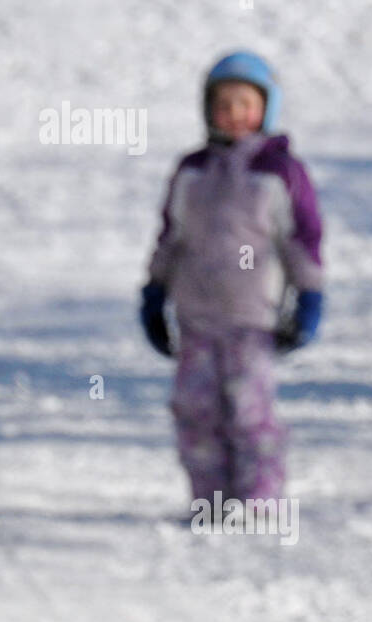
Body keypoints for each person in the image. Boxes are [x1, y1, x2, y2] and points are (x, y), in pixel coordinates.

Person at [140, 51, 324, 504]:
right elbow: (170, 236)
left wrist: (310, 297)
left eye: (246, 104)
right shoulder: (192, 171)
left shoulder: (280, 171)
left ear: (266, 108)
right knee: (195, 411)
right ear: (207, 109)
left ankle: (259, 501)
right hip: (195, 316)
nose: (234, 115)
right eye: (224, 104)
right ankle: (211, 501)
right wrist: (154, 292)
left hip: (252, 318)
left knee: (248, 412)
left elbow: (302, 240)